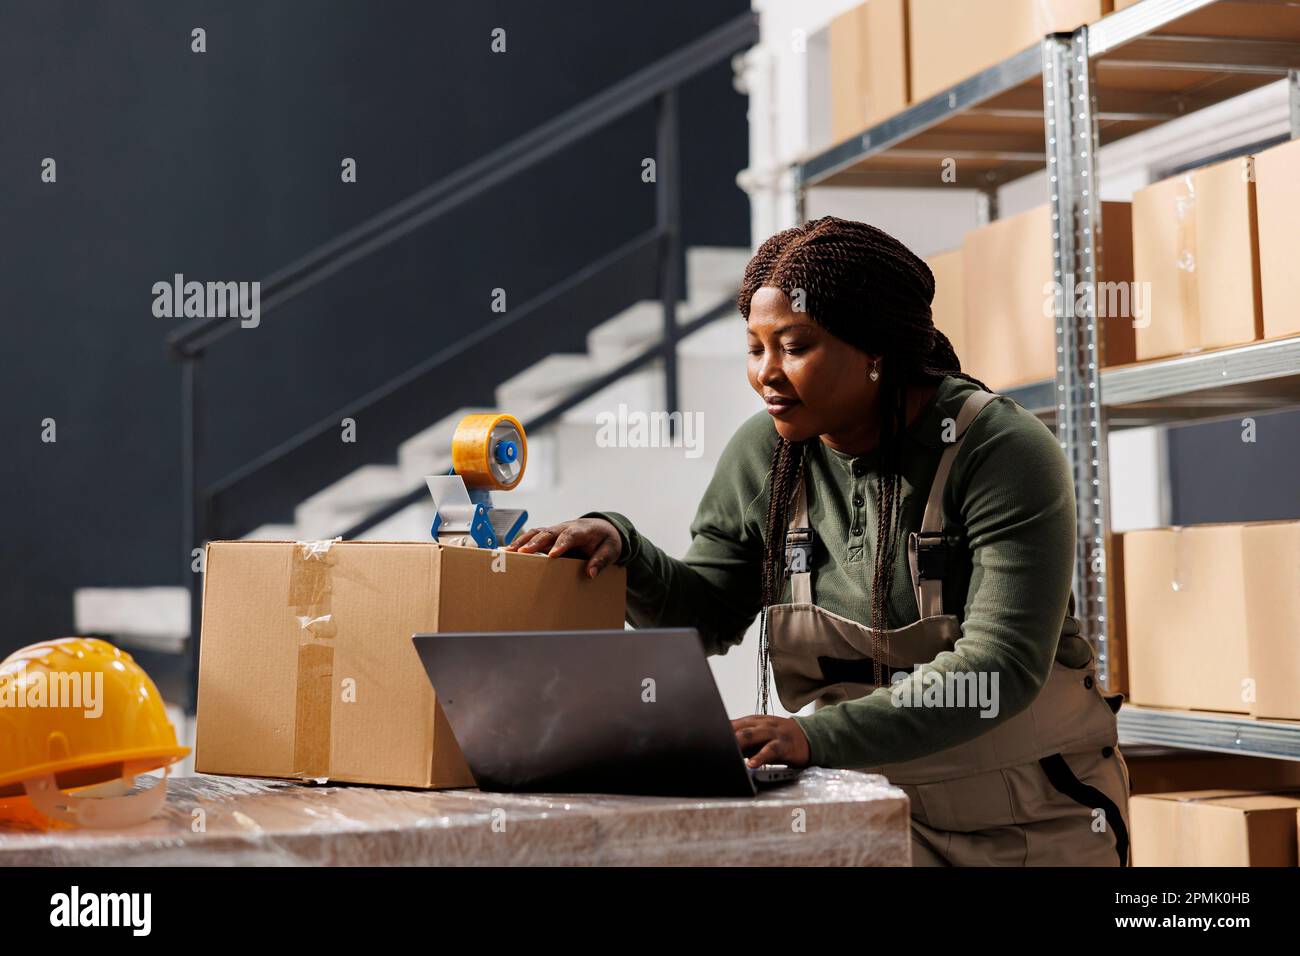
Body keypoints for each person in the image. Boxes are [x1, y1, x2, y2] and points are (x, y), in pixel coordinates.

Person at [504, 216, 1130, 867]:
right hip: (865, 810)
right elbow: (708, 614)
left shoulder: (1000, 452)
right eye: (755, 348)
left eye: (795, 346)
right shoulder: (765, 456)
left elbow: (997, 670)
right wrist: (621, 549)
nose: (767, 374)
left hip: (1031, 819)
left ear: (876, 352)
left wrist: (809, 736)